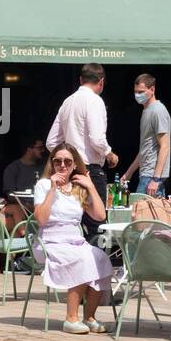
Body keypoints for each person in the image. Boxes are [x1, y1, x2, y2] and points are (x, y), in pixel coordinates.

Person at [31, 143, 113, 335]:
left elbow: (100, 216)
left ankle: (89, 316)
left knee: (101, 258)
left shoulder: (78, 187)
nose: (62, 165)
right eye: (57, 161)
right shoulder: (43, 185)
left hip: (74, 240)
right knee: (81, 259)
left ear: (75, 164)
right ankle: (71, 318)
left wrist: (91, 186)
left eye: (67, 161)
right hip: (49, 241)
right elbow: (41, 219)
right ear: (52, 163)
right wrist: (53, 189)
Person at [46, 63, 118, 233]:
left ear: (80, 80)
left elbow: (51, 142)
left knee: (73, 223)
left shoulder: (67, 101)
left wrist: (64, 159)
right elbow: (96, 138)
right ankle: (93, 260)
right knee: (96, 225)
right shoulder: (95, 100)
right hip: (89, 172)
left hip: (70, 173)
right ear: (101, 81)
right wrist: (110, 154)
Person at [119, 73, 171, 198]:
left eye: (141, 91)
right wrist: (128, 174)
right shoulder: (147, 111)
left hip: (151, 177)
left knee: (143, 215)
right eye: (136, 92)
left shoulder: (158, 110)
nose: (138, 95)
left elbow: (165, 146)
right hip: (146, 174)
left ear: (152, 89)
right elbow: (144, 150)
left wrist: (156, 179)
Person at [1, 138, 44, 232]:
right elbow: (10, 194)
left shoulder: (43, 167)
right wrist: (26, 205)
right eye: (40, 147)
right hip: (24, 211)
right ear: (29, 149)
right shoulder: (13, 168)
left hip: (43, 207)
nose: (43, 150)